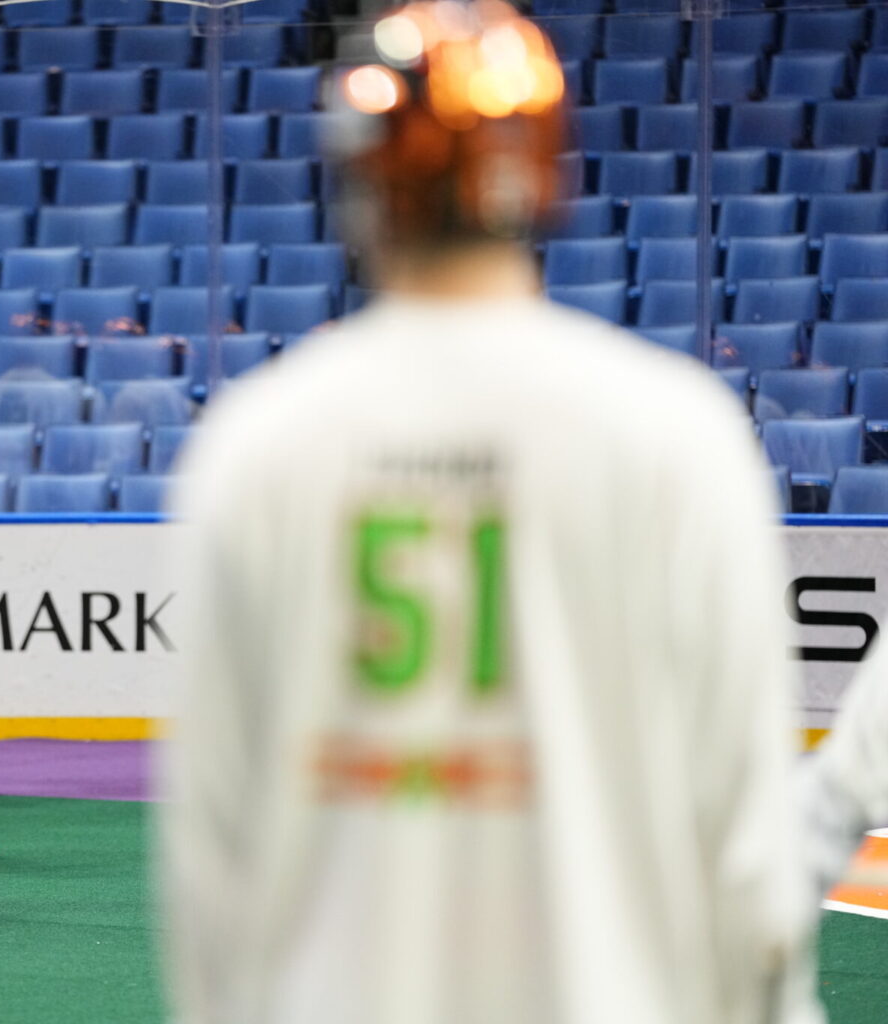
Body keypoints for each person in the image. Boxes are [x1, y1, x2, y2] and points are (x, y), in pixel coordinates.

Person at [162, 3, 822, 1023]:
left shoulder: (260, 443)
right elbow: (747, 850)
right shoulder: (674, 432)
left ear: (360, 175)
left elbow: (211, 858)